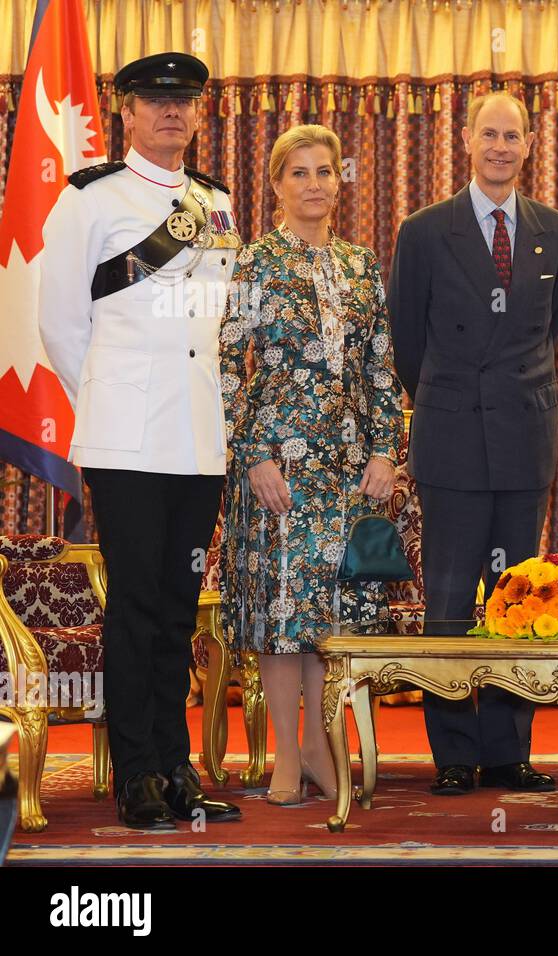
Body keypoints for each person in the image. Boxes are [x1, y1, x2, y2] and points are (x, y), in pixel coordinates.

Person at [37, 53, 242, 829]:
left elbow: (214, 323)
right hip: (126, 439)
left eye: (183, 101)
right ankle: (136, 779)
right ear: (125, 111)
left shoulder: (216, 201)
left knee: (180, 610)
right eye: (154, 100)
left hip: (197, 435)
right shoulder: (90, 199)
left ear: (198, 113)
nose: (170, 112)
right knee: (135, 607)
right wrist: (111, 397)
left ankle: (176, 768)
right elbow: (60, 324)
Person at [388, 92, 558, 796]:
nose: (500, 146)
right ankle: (455, 755)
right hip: (452, 438)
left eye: (513, 136)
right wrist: (451, 398)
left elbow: (548, 334)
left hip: (523, 440)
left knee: (516, 600)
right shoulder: (424, 230)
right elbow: (408, 343)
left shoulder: (556, 230)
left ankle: (506, 752)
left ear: (529, 145)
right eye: (489, 134)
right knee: (449, 602)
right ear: (467, 140)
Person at [220, 124, 403, 806]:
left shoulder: (359, 265)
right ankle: (287, 761)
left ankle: (323, 749)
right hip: (277, 473)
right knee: (281, 612)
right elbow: (225, 367)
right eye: (299, 173)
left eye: (325, 171)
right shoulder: (257, 262)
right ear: (276, 185)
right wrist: (255, 454)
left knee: (332, 614)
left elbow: (382, 367)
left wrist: (386, 450)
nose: (315, 184)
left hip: (348, 467)